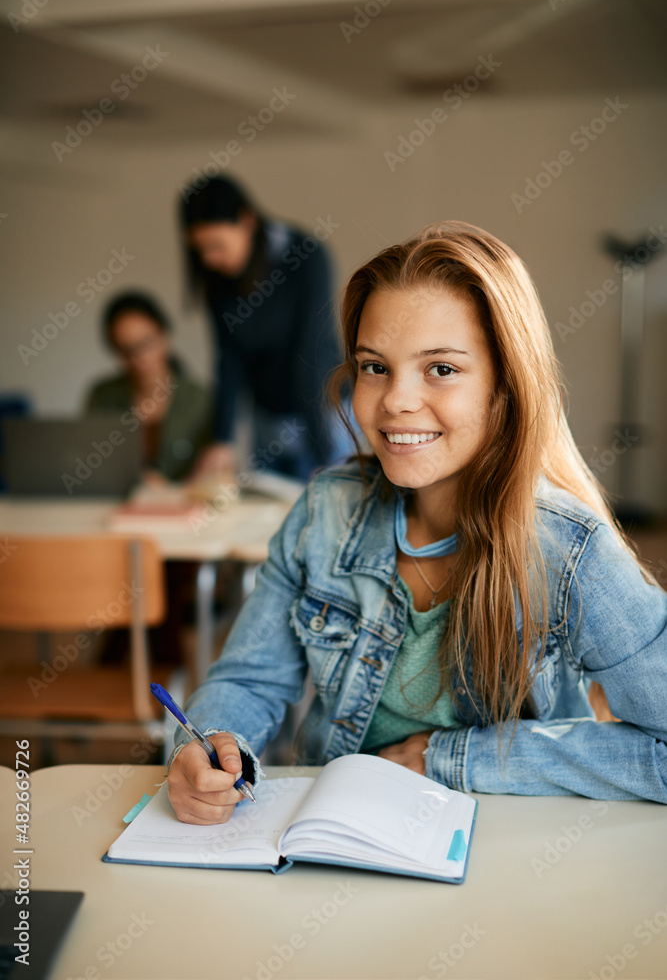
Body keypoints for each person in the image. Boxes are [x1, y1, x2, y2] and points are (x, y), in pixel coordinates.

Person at [167, 220, 667, 824]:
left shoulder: (570, 549)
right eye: (375, 367)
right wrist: (214, 742)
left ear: (505, 386)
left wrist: (451, 758)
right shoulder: (324, 511)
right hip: (339, 847)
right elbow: (249, 680)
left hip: (513, 863)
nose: (396, 400)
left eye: (441, 369)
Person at [179, 174, 344, 482]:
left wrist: (325, 452)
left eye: (216, 245)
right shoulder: (218, 277)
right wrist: (221, 440)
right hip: (269, 419)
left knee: (334, 513)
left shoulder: (305, 256)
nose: (210, 259)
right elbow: (229, 361)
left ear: (247, 220)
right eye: (200, 250)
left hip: (324, 413)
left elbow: (309, 355)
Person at [85, 291, 212, 481]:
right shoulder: (102, 396)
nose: (140, 357)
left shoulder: (201, 399)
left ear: (165, 337)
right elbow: (89, 463)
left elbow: (212, 473)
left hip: (180, 505)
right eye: (127, 350)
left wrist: (168, 489)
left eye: (147, 342)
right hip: (118, 504)